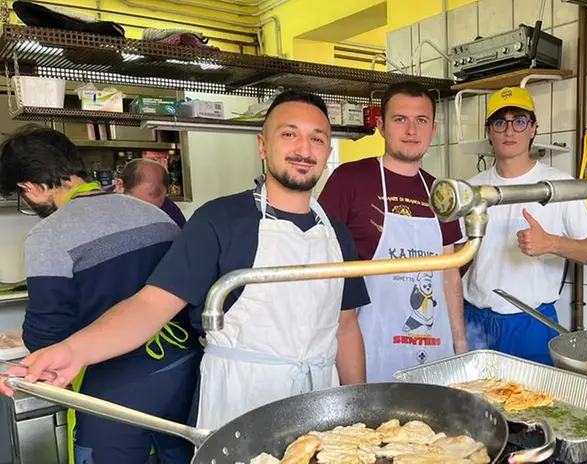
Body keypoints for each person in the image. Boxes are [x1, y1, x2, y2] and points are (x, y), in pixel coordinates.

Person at [0, 91, 371, 431]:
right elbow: (150, 305)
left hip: (320, 401)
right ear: (263, 145)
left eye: (317, 138)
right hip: (240, 400)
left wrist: (359, 410)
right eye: (289, 134)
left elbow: (346, 327)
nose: (304, 149)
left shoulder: (335, 233)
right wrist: (73, 351)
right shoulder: (220, 220)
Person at [0, 125, 199, 463]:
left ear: (29, 186)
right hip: (184, 372)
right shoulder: (156, 215)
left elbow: (46, 336)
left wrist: (27, 338)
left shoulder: (48, 236)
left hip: (111, 391)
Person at [319, 82, 466, 382]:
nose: (411, 130)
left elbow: (449, 273)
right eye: (400, 119)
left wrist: (459, 343)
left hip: (431, 346)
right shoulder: (349, 179)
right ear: (381, 125)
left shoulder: (442, 192)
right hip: (367, 346)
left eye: (421, 121)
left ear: (433, 130)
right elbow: (323, 264)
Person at [462, 87, 587, 365]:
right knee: (473, 405)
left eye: (519, 121)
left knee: (534, 406)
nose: (509, 131)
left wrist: (550, 243)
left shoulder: (560, 185)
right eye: (500, 122)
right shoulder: (471, 188)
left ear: (533, 129)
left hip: (532, 323)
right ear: (489, 132)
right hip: (475, 321)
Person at [115, 158, 187, 228]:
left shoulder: (169, 210)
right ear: (120, 186)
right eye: (140, 207)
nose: (148, 215)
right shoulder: (106, 210)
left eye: (156, 209)